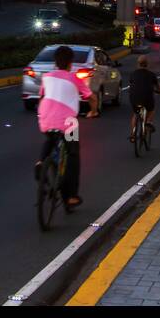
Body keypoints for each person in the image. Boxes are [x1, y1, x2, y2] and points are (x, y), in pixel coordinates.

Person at [34, 45, 98, 209]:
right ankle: (71, 196)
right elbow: (92, 98)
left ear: (55, 62)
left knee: (50, 137)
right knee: (73, 156)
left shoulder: (47, 77)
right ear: (71, 63)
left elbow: (42, 96)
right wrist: (93, 111)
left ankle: (41, 162)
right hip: (69, 122)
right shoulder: (74, 78)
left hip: (46, 118)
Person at [128, 54, 160, 142]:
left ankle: (133, 134)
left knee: (135, 113)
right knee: (151, 110)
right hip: (147, 96)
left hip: (134, 97)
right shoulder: (151, 74)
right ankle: (148, 122)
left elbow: (131, 84)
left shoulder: (133, 74)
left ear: (138, 64)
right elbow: (158, 86)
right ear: (147, 64)